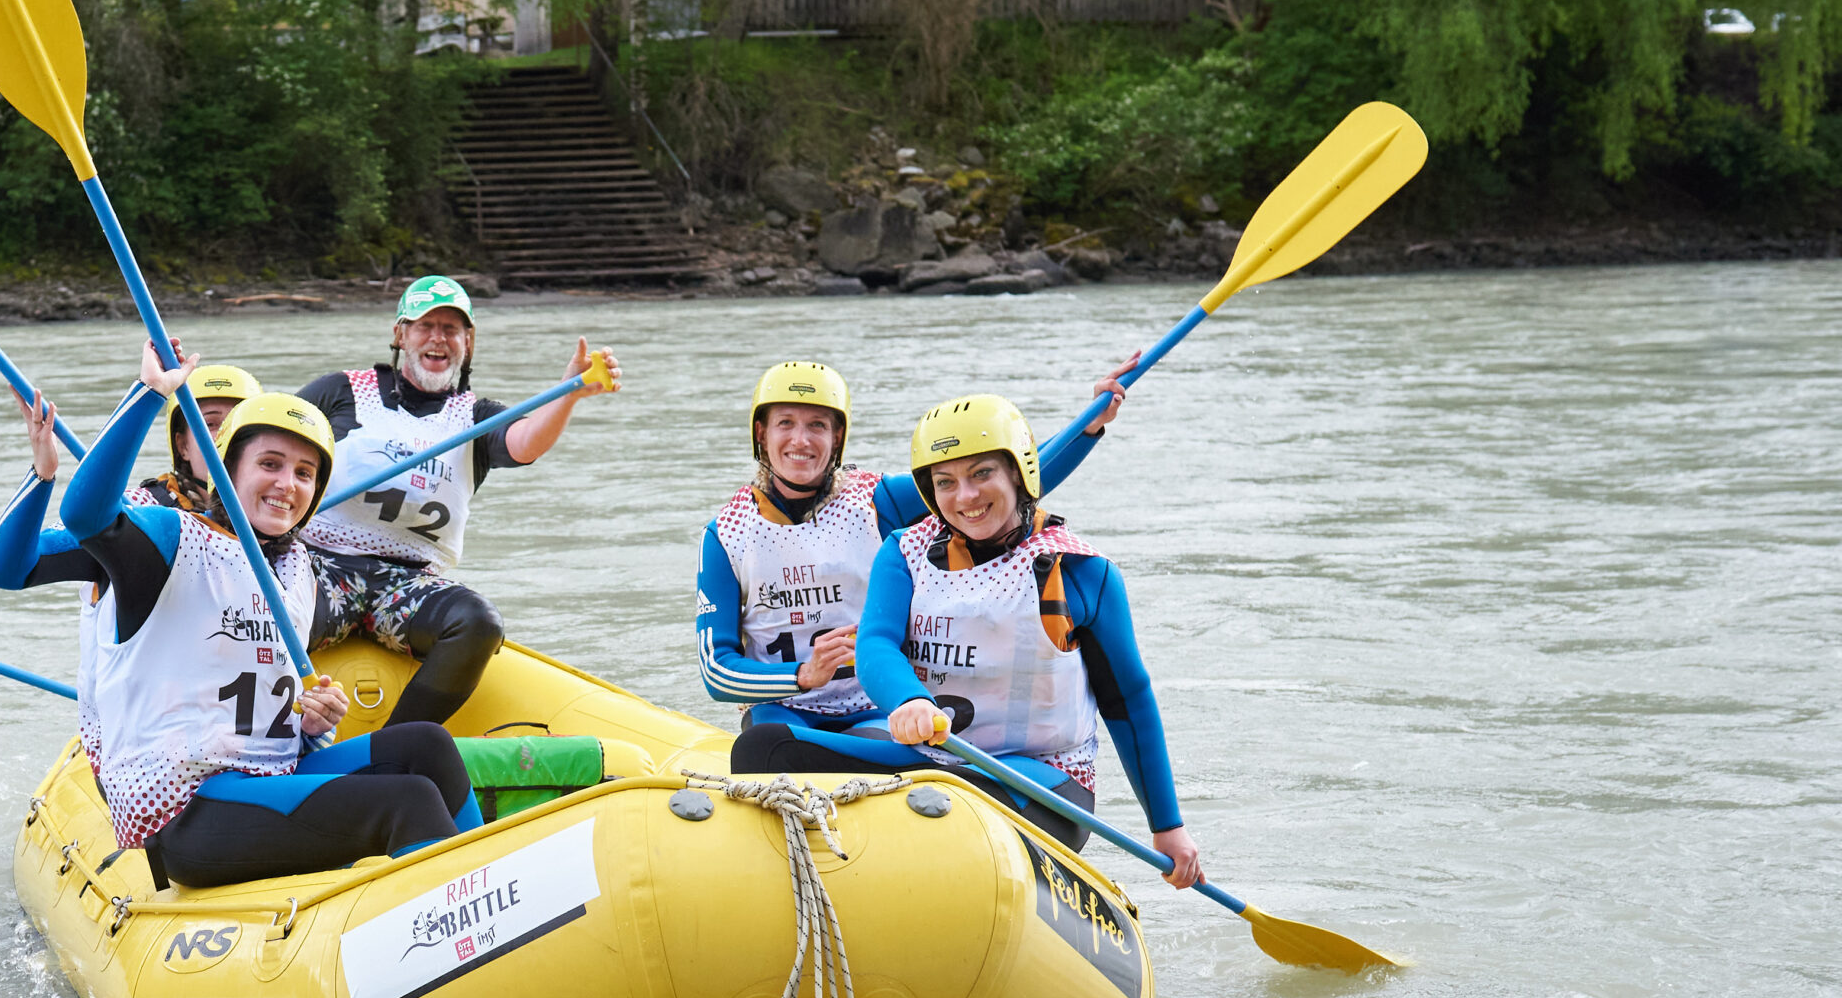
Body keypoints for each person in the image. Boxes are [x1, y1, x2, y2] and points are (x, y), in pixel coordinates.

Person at [728, 392, 1204, 889]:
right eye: (946, 483)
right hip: (933, 760)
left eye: (982, 474)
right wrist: (908, 700)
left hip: (1040, 778)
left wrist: (1167, 826)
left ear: (1019, 473)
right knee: (763, 748)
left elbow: (1127, 702)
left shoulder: (1081, 571)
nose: (966, 497)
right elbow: (876, 645)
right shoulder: (904, 553)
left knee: (953, 805)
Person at [59, 343, 479, 886]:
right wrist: (147, 395)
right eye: (270, 464)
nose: (287, 485)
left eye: (305, 472)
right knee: (408, 799)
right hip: (186, 806)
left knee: (427, 746)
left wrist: (313, 723)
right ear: (226, 468)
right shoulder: (172, 534)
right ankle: (464, 912)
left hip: (265, 772)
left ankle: (490, 880)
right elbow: (81, 520)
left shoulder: (296, 568)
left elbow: (272, 717)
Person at [696, 358, 1131, 735]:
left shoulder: (875, 500)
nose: (801, 440)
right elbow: (717, 671)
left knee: (876, 749)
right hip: (783, 711)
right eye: (785, 423)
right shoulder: (727, 534)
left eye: (817, 426)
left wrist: (1088, 425)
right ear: (761, 432)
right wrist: (803, 675)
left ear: (838, 437)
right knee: (766, 743)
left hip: (877, 707)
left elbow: (1010, 486)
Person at [298, 275, 624, 727]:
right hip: (322, 565)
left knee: (479, 622)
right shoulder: (340, 391)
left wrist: (567, 394)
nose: (438, 338)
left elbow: (525, 443)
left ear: (467, 343)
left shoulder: (477, 417)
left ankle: (395, 743)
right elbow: (270, 444)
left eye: (451, 329)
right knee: (264, 612)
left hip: (407, 584)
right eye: (425, 326)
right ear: (401, 334)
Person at [0, 360, 261, 774]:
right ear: (183, 445)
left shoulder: (279, 530)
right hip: (144, 760)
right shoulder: (133, 516)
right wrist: (43, 474)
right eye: (210, 424)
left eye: (239, 428)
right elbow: (10, 569)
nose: (221, 438)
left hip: (238, 740)